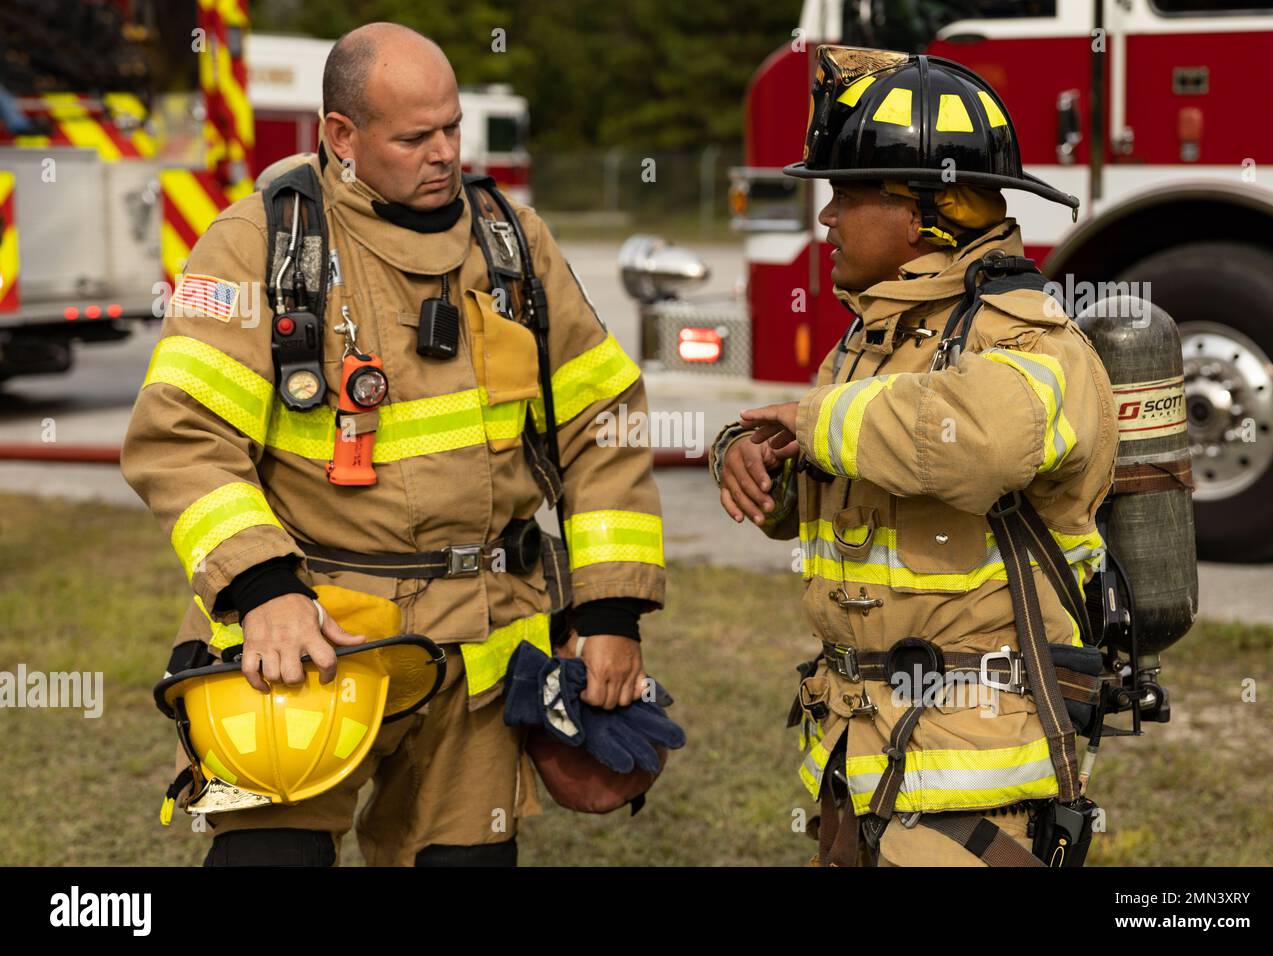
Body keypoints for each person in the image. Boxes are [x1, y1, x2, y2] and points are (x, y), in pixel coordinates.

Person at [123, 22, 665, 867]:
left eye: (452, 127)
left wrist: (609, 609)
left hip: (483, 655)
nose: (445, 152)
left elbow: (606, 423)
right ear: (341, 135)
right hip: (311, 642)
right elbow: (180, 438)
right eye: (416, 137)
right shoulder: (258, 246)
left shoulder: (513, 247)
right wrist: (263, 587)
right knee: (270, 860)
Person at [710, 45, 1117, 866]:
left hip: (972, 774)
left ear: (927, 211)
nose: (825, 219)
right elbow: (837, 467)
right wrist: (750, 457)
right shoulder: (875, 340)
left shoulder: (1032, 337)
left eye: (845, 196)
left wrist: (814, 422)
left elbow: (975, 444)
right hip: (861, 759)